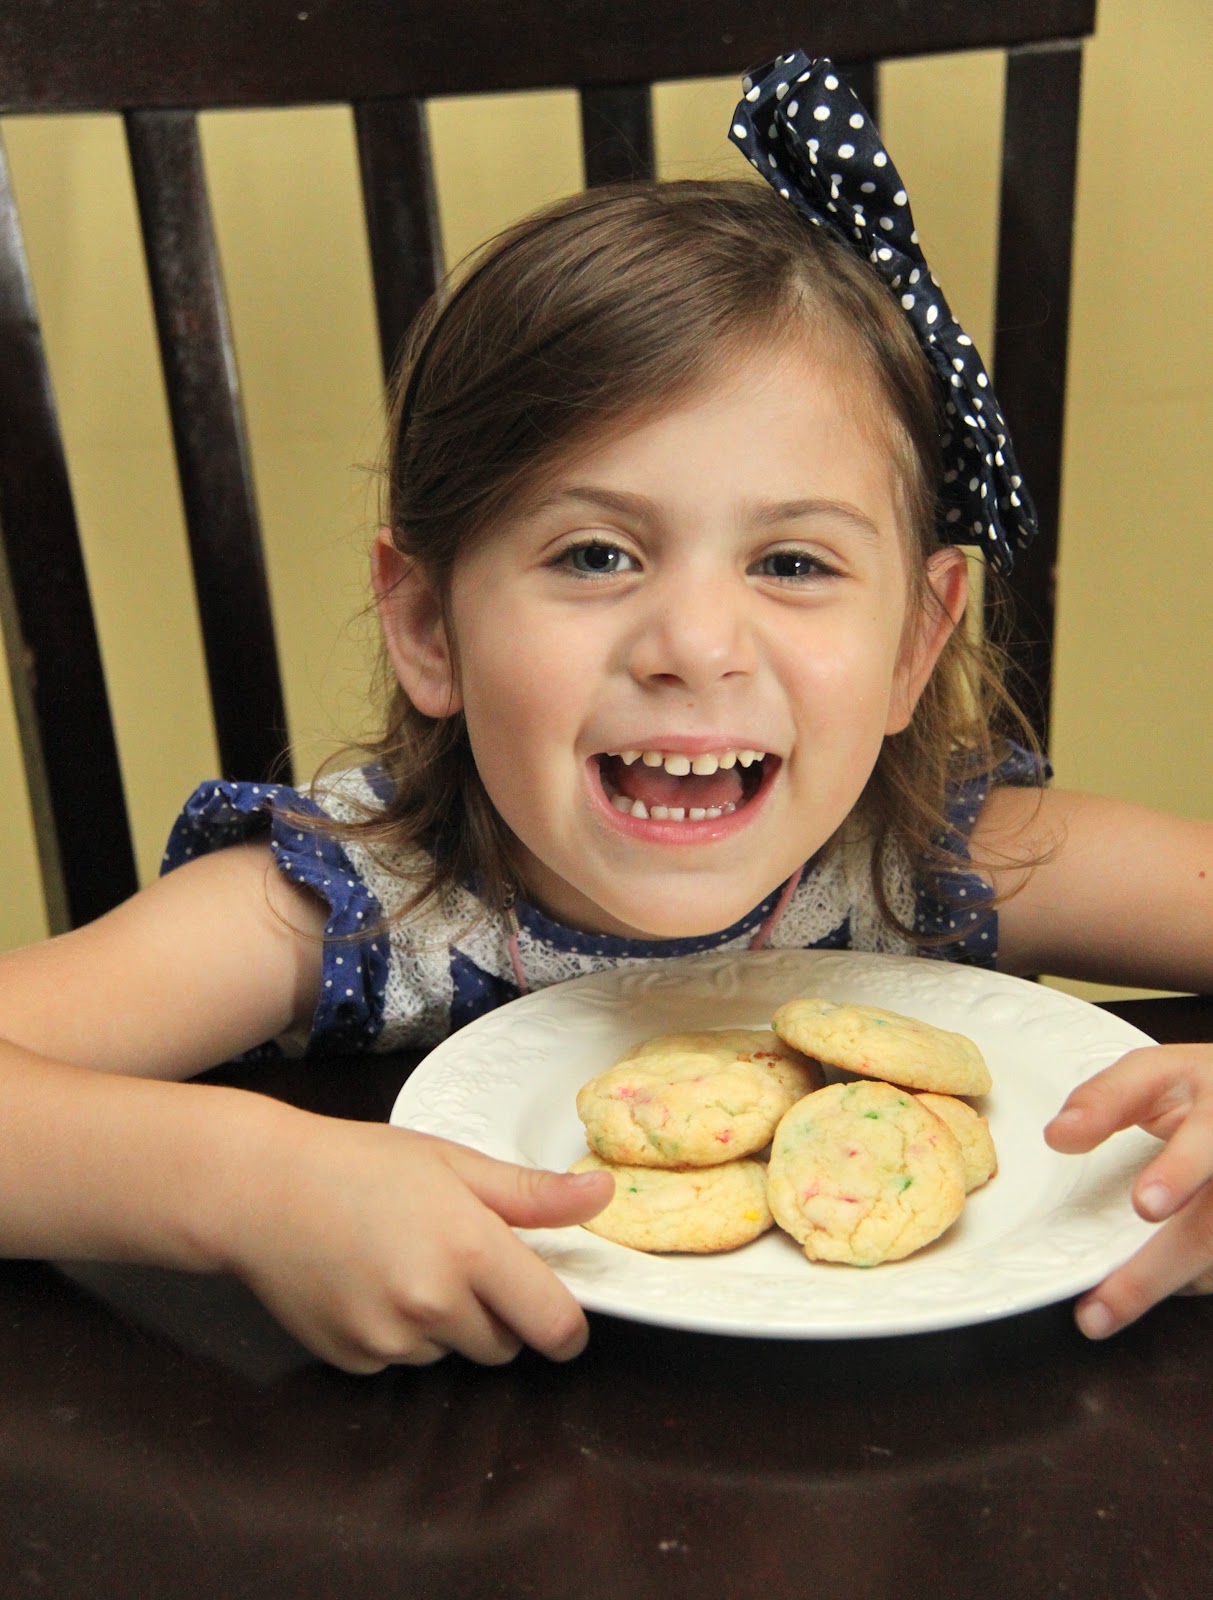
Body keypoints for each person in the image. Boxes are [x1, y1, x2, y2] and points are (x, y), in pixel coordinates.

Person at [0, 54, 1209, 1372]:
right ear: (427, 627)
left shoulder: (940, 853)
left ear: (917, 639)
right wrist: (244, 1188)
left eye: (791, 563)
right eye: (593, 556)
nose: (692, 645)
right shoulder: (348, 903)